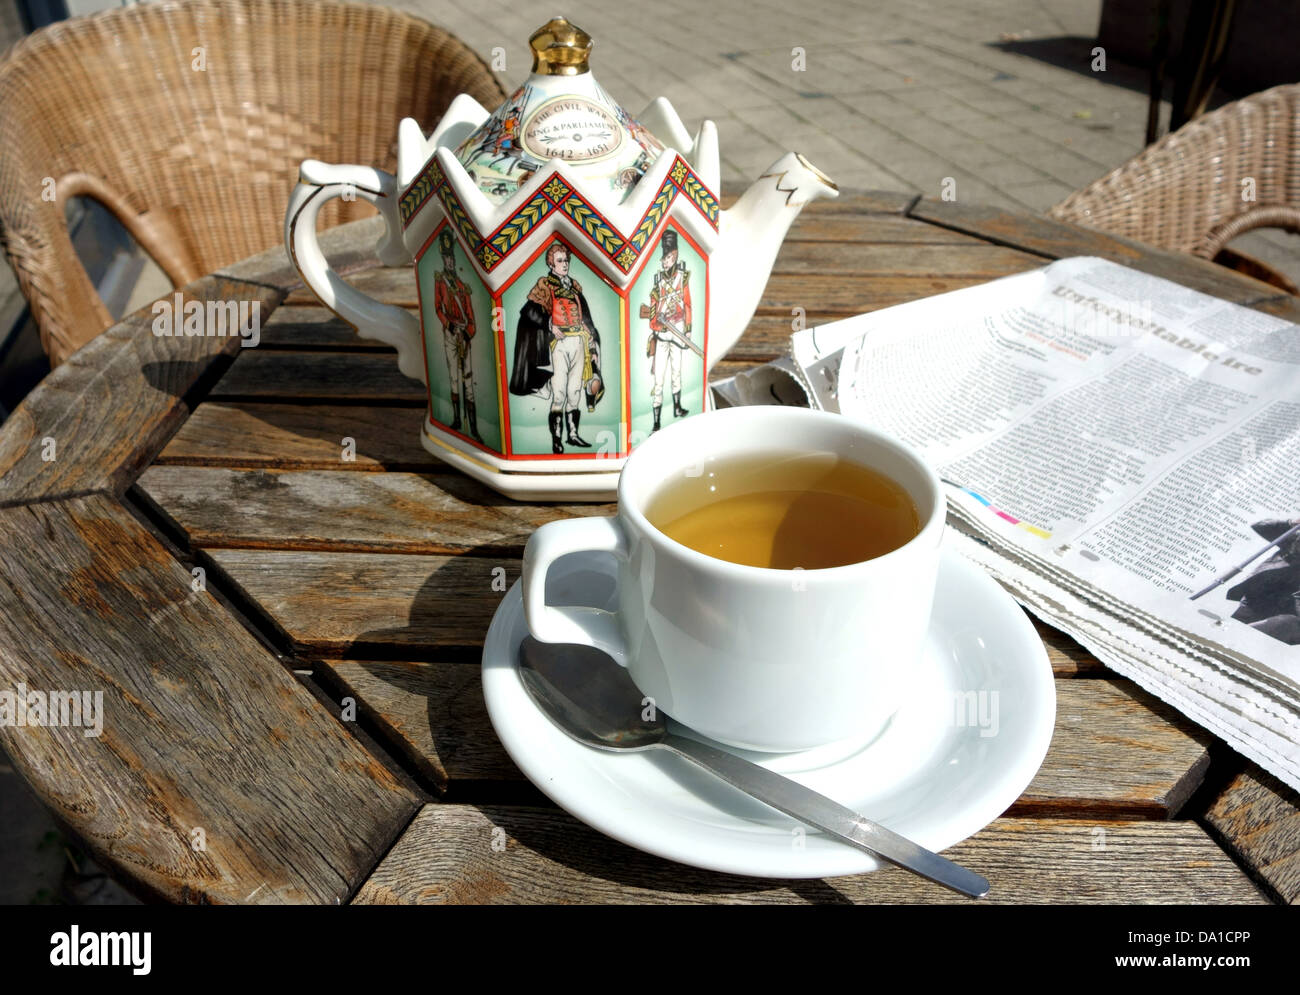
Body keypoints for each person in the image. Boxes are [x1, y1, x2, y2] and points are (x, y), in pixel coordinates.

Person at [509, 241, 604, 454]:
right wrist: (549, 325)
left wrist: (592, 343)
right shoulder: (545, 285)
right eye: (560, 260)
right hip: (558, 345)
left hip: (578, 342)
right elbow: (529, 312)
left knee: (575, 391)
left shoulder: (575, 287)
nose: (565, 264)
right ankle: (556, 440)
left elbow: (586, 319)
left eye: (566, 260)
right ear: (551, 263)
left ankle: (573, 435)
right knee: (559, 393)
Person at [431, 229, 481, 441]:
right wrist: (448, 325)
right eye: (446, 258)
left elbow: (471, 316)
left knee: (468, 381)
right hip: (450, 333)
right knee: (453, 377)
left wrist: (468, 334)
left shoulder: (463, 287)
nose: (449, 262)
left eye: (451, 258)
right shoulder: (440, 281)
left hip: (464, 335)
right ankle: (456, 421)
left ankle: (474, 428)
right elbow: (438, 307)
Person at [644, 229, 692, 432]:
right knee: (659, 378)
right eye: (664, 257)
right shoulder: (657, 285)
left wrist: (688, 329)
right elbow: (652, 319)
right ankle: (656, 420)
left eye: (670, 256)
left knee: (677, 373)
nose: (666, 261)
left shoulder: (683, 278)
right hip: (663, 335)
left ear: (675, 256)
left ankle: (678, 407)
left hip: (679, 331)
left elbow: (688, 304)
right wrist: (659, 325)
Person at [1225, 517, 1300, 645]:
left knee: (1237, 640)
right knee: (1227, 632)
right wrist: (1292, 523)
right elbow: (1261, 526)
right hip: (1256, 600)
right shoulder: (1292, 539)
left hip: (1287, 614)